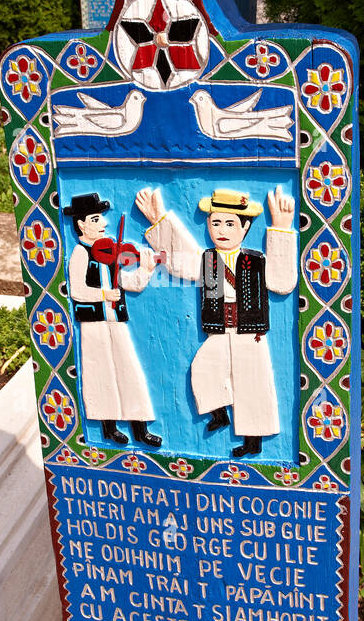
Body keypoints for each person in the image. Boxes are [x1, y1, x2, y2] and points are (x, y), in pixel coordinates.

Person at [135, 184, 297, 458]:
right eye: (216, 223)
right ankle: (220, 414)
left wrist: (280, 228)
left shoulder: (255, 260)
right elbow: (179, 260)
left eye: (230, 224)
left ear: (245, 228)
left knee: (253, 384)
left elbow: (282, 282)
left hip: (250, 332)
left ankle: (252, 442)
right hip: (220, 330)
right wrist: (158, 220)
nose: (221, 230)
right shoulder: (207, 259)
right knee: (202, 369)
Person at [65, 192, 162, 448]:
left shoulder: (107, 252)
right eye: (97, 219)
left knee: (128, 371)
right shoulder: (80, 253)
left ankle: (140, 429)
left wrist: (145, 269)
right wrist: (103, 295)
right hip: (94, 324)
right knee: (101, 374)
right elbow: (77, 290)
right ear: (82, 224)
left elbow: (128, 283)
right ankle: (109, 429)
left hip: (116, 322)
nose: (104, 224)